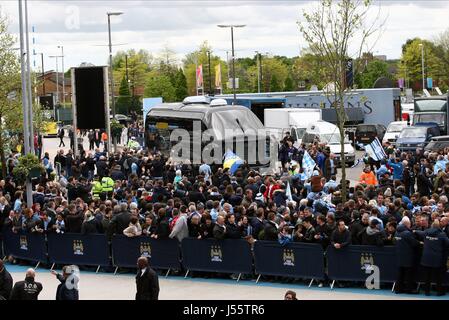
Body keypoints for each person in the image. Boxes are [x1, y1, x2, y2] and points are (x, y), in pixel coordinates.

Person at [415, 220, 449, 296]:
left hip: (426, 258)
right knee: (438, 276)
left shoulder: (426, 232)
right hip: (437, 258)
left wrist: (414, 230)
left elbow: (418, 232)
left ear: (432, 225)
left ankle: (427, 291)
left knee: (427, 276)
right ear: (439, 226)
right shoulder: (442, 234)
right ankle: (439, 291)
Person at [394, 217, 420, 294]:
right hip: (408, 257)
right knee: (409, 275)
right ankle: (409, 290)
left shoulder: (396, 232)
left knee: (400, 274)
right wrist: (420, 243)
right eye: (409, 224)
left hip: (399, 256)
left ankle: (398, 289)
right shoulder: (407, 233)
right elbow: (414, 243)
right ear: (407, 224)